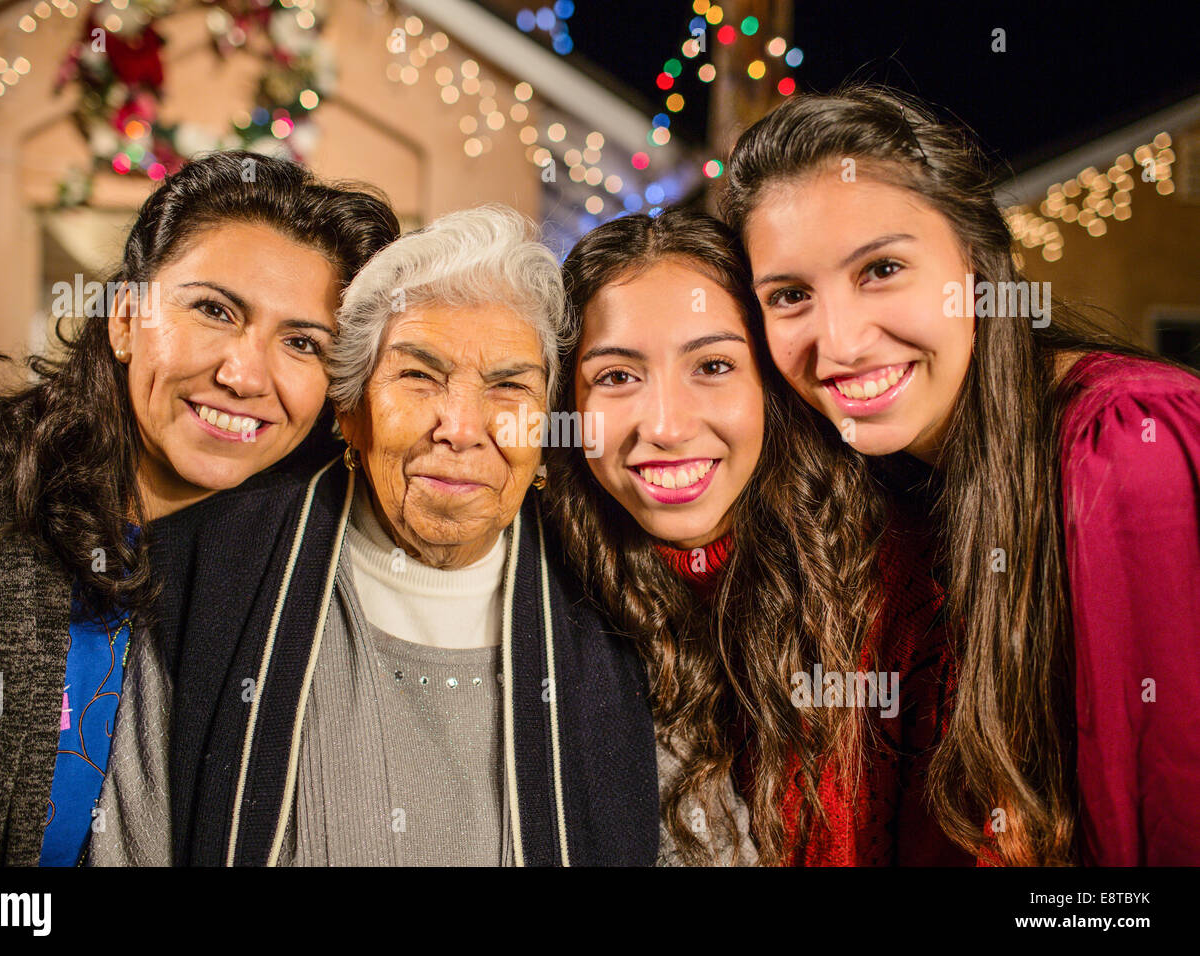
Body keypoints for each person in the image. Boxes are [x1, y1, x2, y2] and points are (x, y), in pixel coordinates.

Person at [723, 85, 1200, 865]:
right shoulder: (871, 494)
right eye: (791, 296)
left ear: (978, 266)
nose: (838, 343)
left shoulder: (1126, 448)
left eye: (881, 268)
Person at [107, 204, 659, 866]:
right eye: (418, 376)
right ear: (350, 411)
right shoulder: (207, 572)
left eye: (509, 386)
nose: (459, 427)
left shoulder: (620, 604)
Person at [0, 151, 399, 865]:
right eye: (214, 310)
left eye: (301, 343)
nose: (242, 374)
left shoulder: (289, 551)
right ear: (126, 319)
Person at [549, 208, 967, 865]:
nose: (665, 426)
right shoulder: (539, 593)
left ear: (770, 388)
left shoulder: (906, 597)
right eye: (617, 377)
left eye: (712, 366)